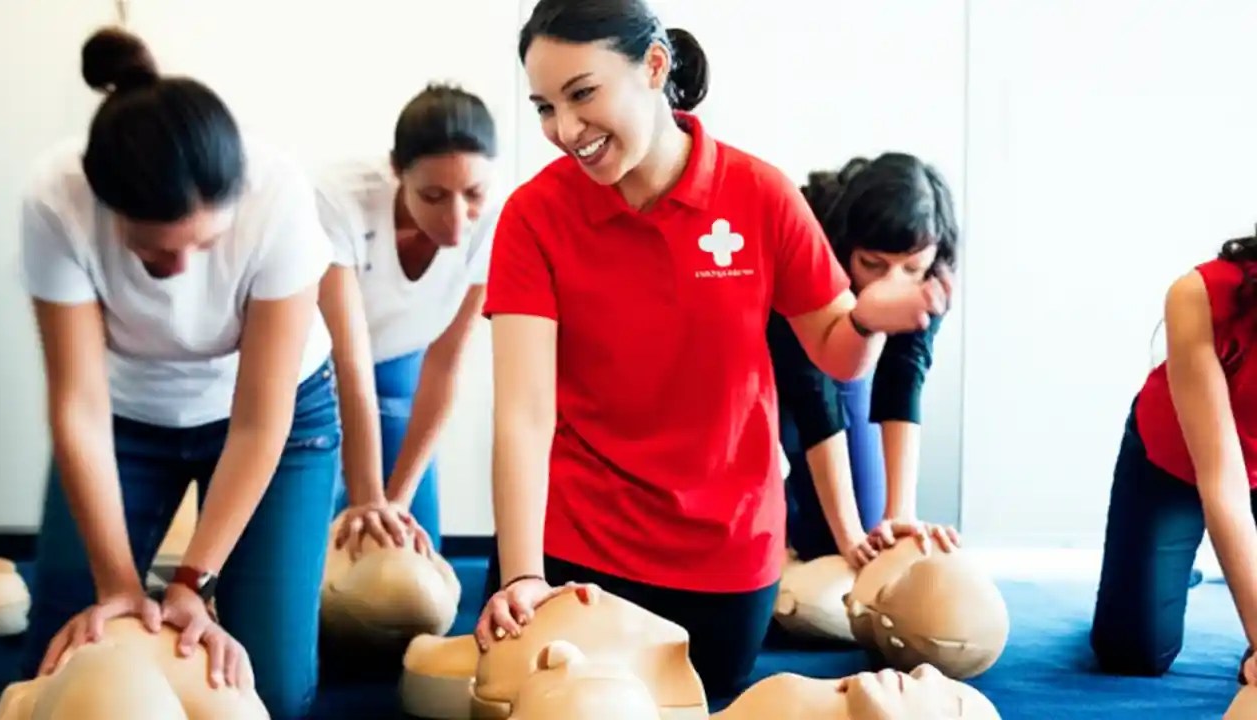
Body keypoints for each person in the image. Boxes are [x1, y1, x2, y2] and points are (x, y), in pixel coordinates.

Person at [474, 0, 952, 700]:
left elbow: (835, 356)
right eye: (546, 107)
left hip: (724, 561)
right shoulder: (533, 215)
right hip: (575, 552)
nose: (565, 130)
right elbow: (523, 412)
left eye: (582, 94)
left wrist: (869, 322)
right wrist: (523, 574)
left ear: (654, 66)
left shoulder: (760, 194)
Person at [18, 27, 338, 719]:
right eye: (155, 254)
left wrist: (193, 581)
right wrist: (118, 586)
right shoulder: (57, 199)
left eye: (204, 244)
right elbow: (78, 406)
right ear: (108, 208)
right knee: (61, 661)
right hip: (127, 418)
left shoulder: (278, 198)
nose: (181, 271)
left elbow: (259, 420)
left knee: (271, 691)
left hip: (278, 421)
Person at [316, 84, 500, 558]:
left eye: (472, 194)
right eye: (433, 195)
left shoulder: (498, 217)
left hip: (406, 366)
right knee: (322, 544)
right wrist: (367, 498)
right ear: (398, 171)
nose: (456, 221)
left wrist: (394, 503)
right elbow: (350, 359)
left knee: (411, 549)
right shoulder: (341, 199)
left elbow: (445, 363)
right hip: (322, 373)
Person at [770, 155, 960, 571]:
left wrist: (900, 514)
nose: (894, 284)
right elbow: (812, 396)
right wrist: (848, 537)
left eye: (912, 268)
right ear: (847, 249)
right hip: (773, 357)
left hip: (852, 355)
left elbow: (904, 375)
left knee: (874, 524)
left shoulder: (934, 277)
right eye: (873, 265)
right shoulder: (809, 246)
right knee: (829, 540)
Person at [1090, 230, 1257, 682]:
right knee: (1132, 654)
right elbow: (1223, 483)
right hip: (1176, 465)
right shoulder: (1198, 295)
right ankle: (1171, 569)